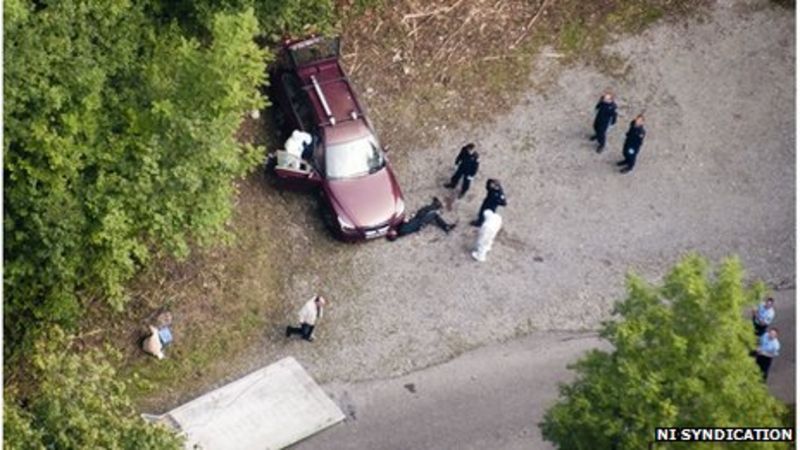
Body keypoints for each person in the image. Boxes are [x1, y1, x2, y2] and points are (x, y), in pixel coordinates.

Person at [387, 197, 455, 240]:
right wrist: (408, 220)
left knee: (424, 210)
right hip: (420, 221)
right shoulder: (402, 230)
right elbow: (412, 225)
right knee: (433, 214)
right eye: (391, 233)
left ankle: (436, 205)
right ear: (394, 235)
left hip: (417, 219)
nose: (391, 231)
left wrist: (409, 219)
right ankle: (446, 226)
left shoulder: (398, 229)